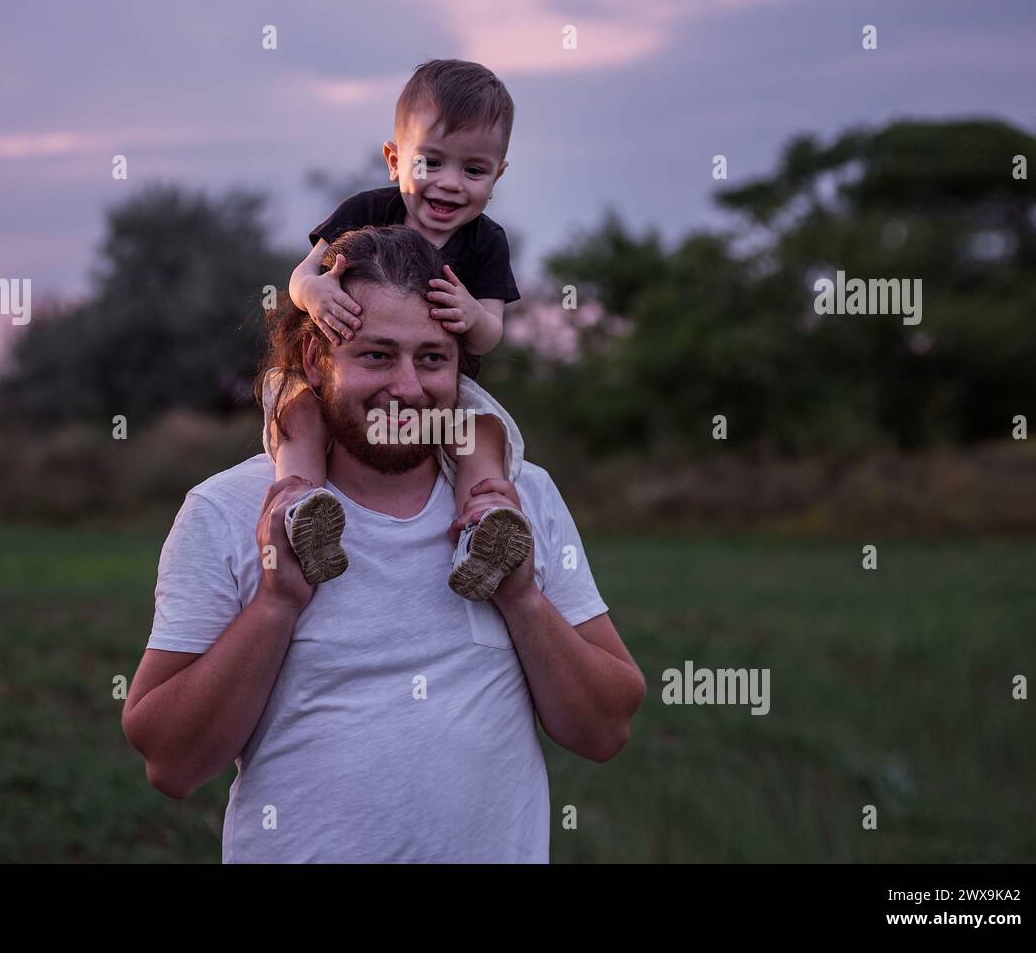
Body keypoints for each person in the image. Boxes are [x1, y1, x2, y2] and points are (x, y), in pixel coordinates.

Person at [123, 225, 646, 863]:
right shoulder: (225, 511)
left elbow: (605, 728)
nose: (407, 388)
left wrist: (523, 600)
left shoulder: (520, 498)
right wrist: (276, 604)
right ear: (316, 361)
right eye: (376, 355)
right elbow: (169, 763)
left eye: (431, 359)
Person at [267, 58, 531, 600]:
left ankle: (486, 523)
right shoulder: (368, 210)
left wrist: (470, 315)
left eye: (474, 171)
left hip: (443, 393)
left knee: (478, 432)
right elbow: (301, 277)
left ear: (498, 176)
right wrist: (314, 292)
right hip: (332, 383)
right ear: (394, 159)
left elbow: (490, 335)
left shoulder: (486, 243)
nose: (450, 185)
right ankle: (300, 506)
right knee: (298, 412)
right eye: (431, 162)